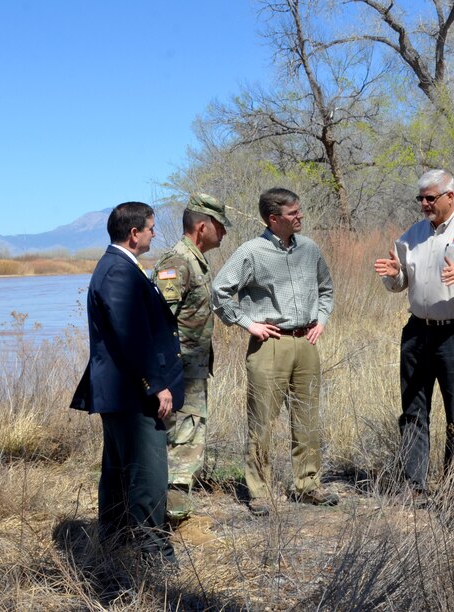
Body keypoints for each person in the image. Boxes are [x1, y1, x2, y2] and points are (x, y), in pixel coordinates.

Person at [374, 169, 454, 495]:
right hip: (418, 332)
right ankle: (412, 485)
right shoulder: (412, 235)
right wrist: (393, 275)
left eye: (430, 198)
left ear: (450, 196)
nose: (424, 204)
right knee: (413, 412)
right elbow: (400, 281)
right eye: (420, 198)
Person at [70, 201, 184, 565]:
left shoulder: (117, 266)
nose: (154, 233)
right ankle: (154, 553)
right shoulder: (118, 271)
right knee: (148, 473)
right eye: (151, 228)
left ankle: (114, 543)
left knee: (120, 471)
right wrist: (156, 384)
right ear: (134, 234)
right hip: (132, 393)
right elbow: (129, 336)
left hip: (123, 391)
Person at [211, 187, 337, 516]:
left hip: (306, 343)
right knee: (261, 421)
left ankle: (308, 486)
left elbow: (326, 288)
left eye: (299, 211)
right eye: (293, 213)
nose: (300, 217)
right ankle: (259, 492)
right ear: (274, 218)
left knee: (307, 419)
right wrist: (246, 323)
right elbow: (220, 290)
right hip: (269, 344)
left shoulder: (309, 249)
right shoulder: (250, 252)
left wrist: (321, 320)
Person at [151, 193, 230, 520]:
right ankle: (173, 521)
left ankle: (176, 514)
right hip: (178, 373)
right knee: (181, 448)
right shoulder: (177, 262)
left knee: (189, 439)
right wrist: (162, 378)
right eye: (221, 227)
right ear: (202, 226)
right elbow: (158, 322)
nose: (224, 234)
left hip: (191, 373)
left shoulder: (195, 260)